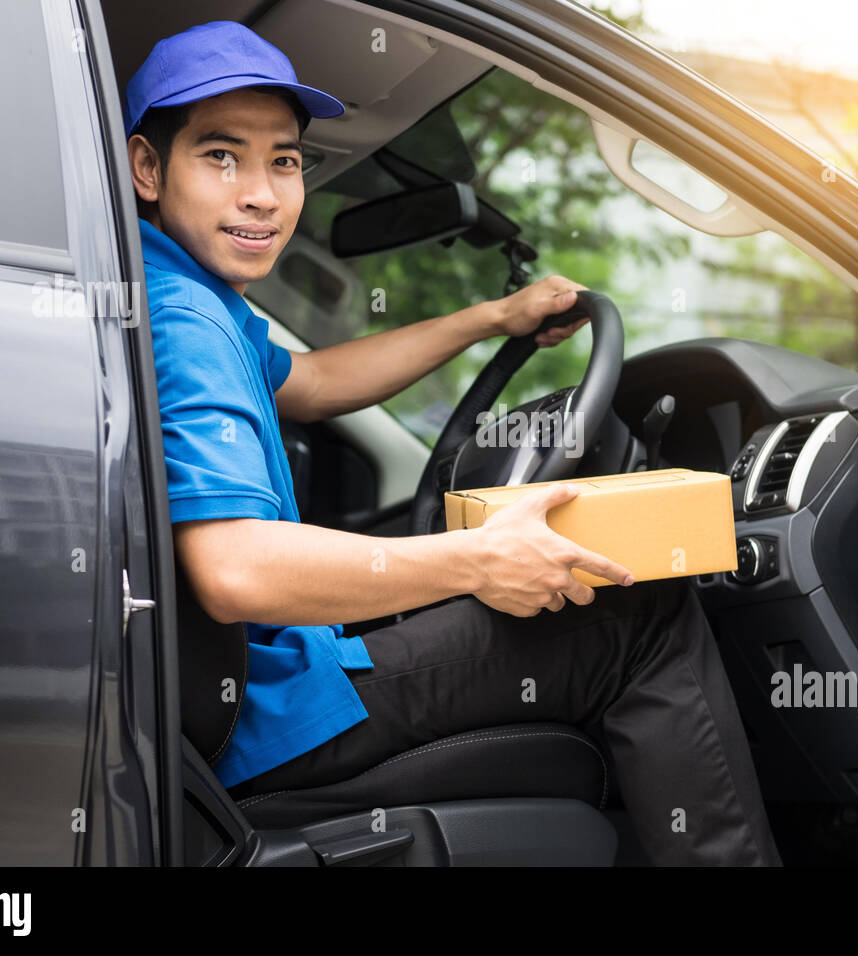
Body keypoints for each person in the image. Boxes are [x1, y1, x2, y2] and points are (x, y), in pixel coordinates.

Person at [125, 19, 780, 866]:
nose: (262, 193)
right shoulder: (185, 320)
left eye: (283, 160)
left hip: (253, 696)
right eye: (221, 156)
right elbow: (236, 569)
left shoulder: (176, 288)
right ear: (147, 167)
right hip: (272, 715)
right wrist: (477, 562)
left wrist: (493, 318)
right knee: (640, 613)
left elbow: (317, 383)